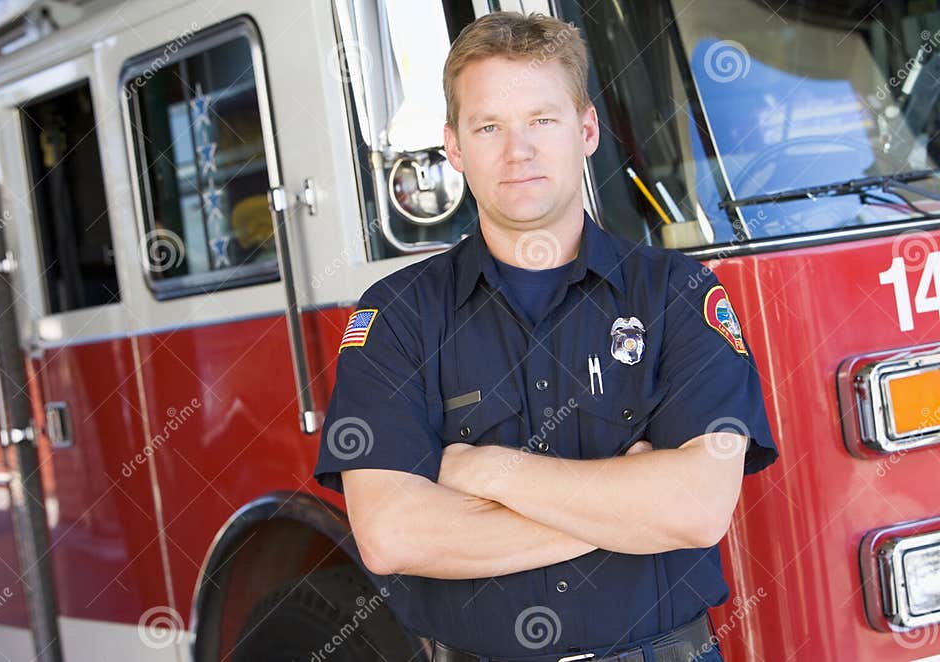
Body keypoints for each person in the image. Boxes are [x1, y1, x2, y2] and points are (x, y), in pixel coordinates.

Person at [313, 11, 779, 662]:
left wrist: (485, 470)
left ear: (586, 130)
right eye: (489, 127)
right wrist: (630, 507)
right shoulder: (396, 316)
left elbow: (697, 509)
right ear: (454, 147)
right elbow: (392, 536)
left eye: (541, 120)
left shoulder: (680, 296)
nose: (518, 151)